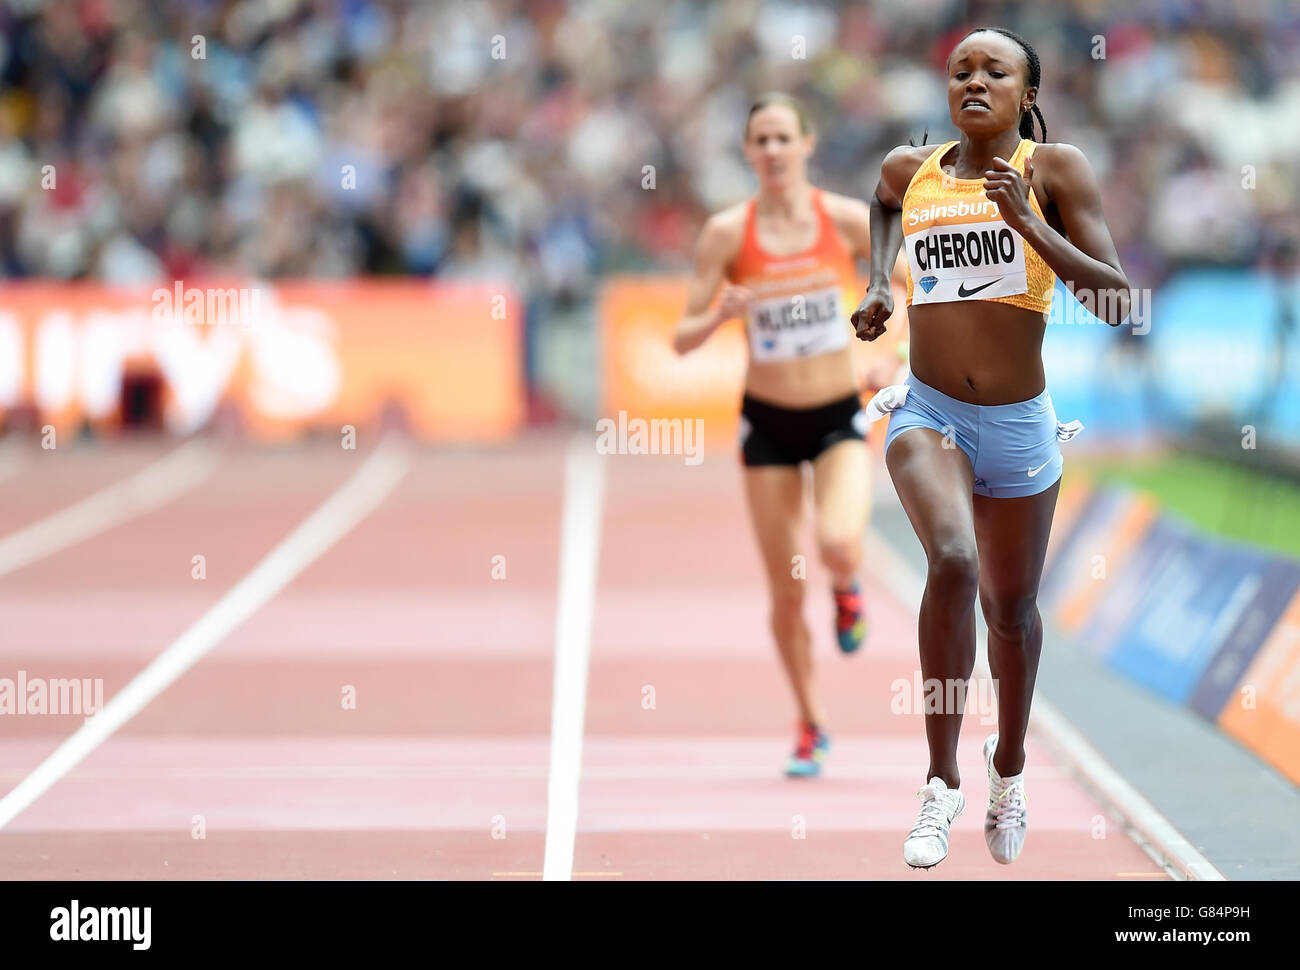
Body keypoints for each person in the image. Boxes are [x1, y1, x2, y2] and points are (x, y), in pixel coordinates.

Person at [851, 27, 1131, 867]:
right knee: (953, 560)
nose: (974, 81)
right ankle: (940, 784)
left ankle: (1006, 768)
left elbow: (1118, 301)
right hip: (928, 410)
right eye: (960, 71)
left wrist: (1028, 223)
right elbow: (880, 200)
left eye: (994, 71)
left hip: (1020, 425)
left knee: (1011, 614)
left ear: (1027, 94)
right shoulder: (915, 170)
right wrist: (876, 280)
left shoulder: (1057, 172)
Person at [674, 92, 904, 778]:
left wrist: (892, 352)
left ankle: (848, 584)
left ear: (807, 145)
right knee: (783, 590)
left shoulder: (842, 221)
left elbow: (909, 286)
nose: (772, 151)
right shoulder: (725, 233)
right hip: (767, 426)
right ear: (748, 153)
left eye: (783, 138)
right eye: (760, 140)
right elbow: (681, 338)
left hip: (837, 415)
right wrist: (720, 314)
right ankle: (810, 721)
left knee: (837, 542)